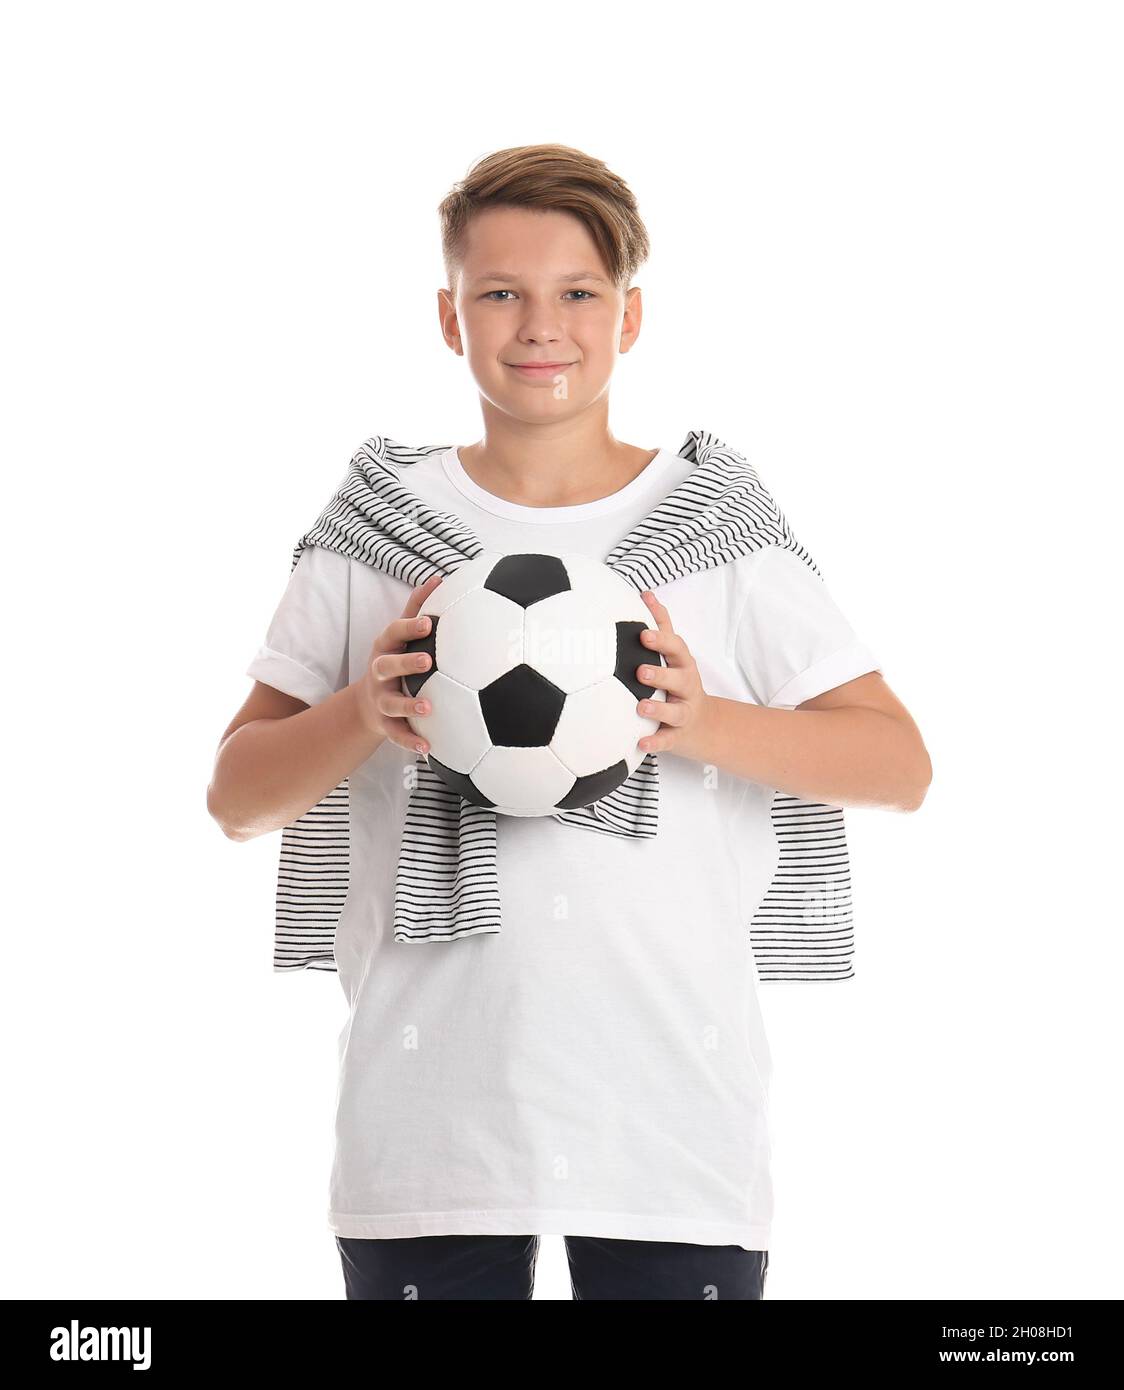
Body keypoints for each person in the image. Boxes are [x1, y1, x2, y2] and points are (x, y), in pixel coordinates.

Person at [207, 143, 932, 1301]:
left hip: (667, 1123)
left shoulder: (714, 524)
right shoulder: (375, 525)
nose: (538, 324)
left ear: (628, 316)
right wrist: (363, 709)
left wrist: (699, 720)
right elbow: (237, 796)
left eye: (576, 293)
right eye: (498, 291)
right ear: (449, 318)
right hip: (429, 1124)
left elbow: (898, 766)